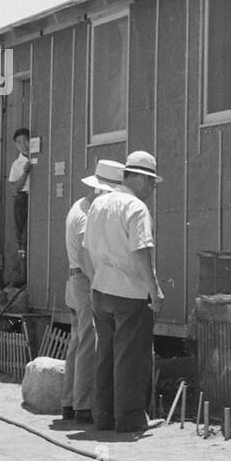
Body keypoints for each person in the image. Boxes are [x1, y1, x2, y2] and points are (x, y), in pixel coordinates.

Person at [84, 149, 164, 434]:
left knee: (105, 354)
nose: (153, 189)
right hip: (129, 292)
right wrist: (153, 288)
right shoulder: (136, 208)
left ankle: (103, 417)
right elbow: (142, 249)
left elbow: (87, 249)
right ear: (141, 179)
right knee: (131, 357)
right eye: (152, 182)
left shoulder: (98, 204)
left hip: (100, 289)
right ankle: (129, 419)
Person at [60, 159, 123, 423]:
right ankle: (84, 405)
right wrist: (101, 286)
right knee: (89, 342)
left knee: (78, 341)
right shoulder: (87, 216)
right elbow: (87, 257)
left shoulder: (79, 206)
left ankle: (70, 401)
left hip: (75, 280)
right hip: (85, 281)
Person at [7, 128, 32, 277]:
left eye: (25, 141)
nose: (23, 145)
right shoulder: (17, 164)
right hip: (22, 199)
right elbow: (14, 190)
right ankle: (23, 274)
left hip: (37, 198)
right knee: (22, 236)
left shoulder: (38, 156)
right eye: (19, 142)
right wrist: (25, 172)